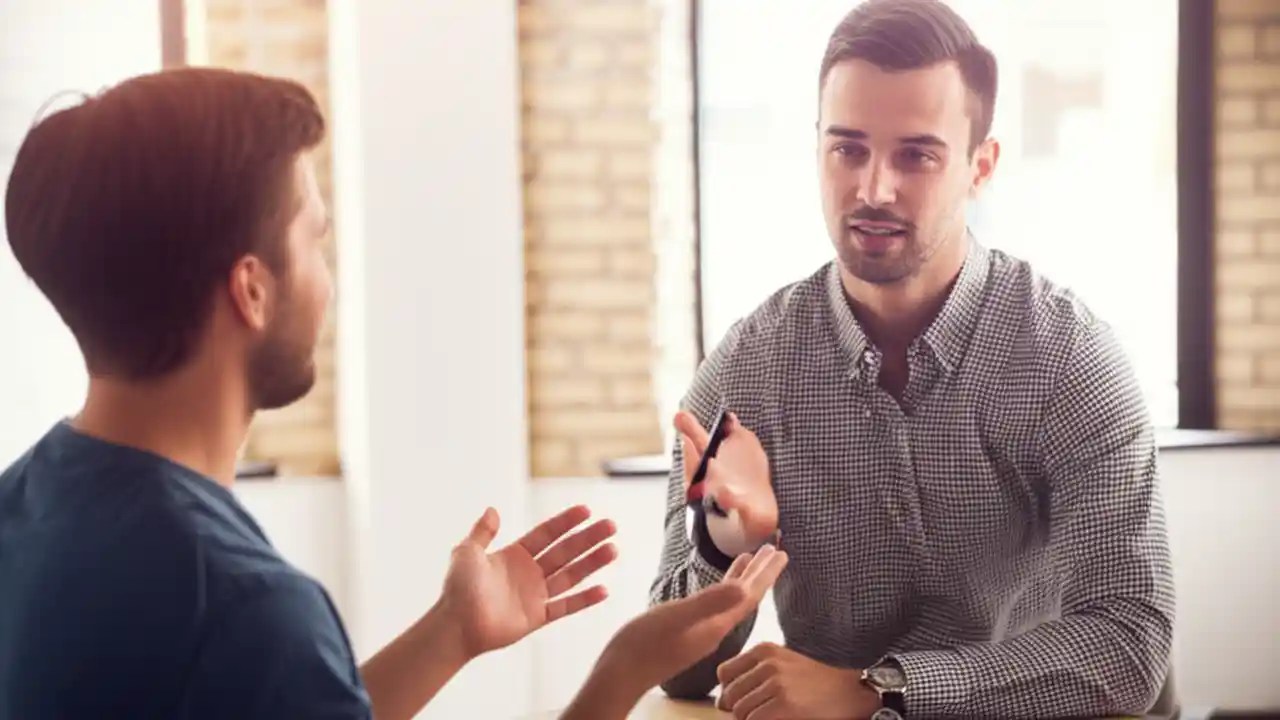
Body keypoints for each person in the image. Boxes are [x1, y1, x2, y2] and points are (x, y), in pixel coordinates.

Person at [0, 67, 788, 720]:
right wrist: (622, 669)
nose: (328, 278)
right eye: (316, 238)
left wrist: (450, 633)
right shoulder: (240, 606)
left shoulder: (25, 510)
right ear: (251, 290)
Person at [650, 1, 1176, 718]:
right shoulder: (746, 376)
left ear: (979, 166)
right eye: (849, 149)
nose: (874, 190)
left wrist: (878, 691)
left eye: (916, 155)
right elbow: (679, 678)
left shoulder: (1071, 363)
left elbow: (1129, 645)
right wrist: (725, 545)